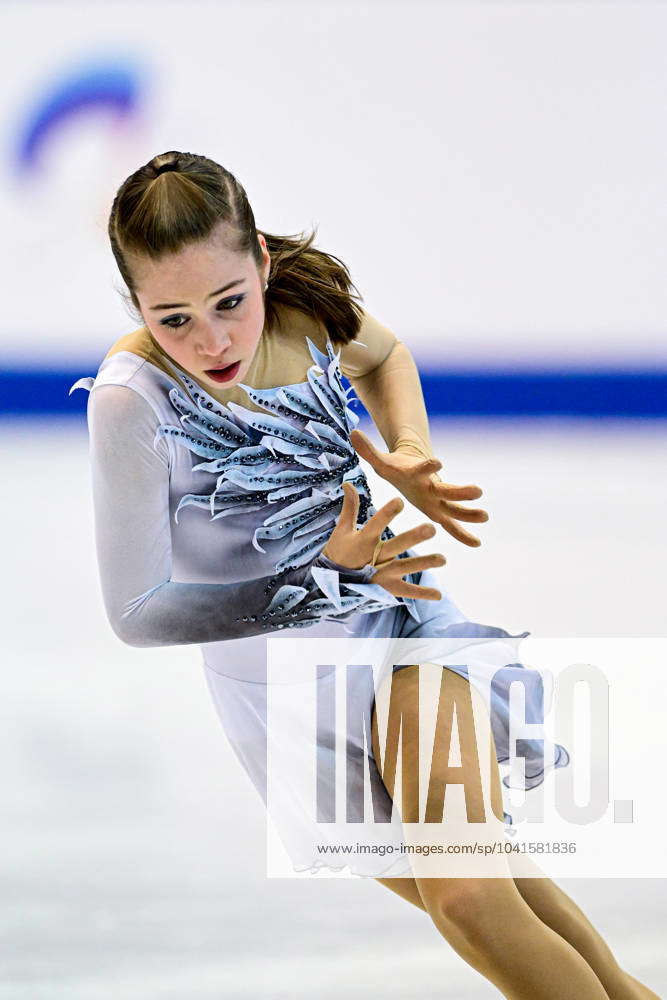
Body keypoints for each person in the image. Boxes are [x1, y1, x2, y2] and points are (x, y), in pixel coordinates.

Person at [69, 151, 659, 999]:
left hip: (400, 626)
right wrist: (313, 577)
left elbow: (384, 358)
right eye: (173, 318)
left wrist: (410, 450)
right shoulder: (132, 401)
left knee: (466, 898)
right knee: (494, 890)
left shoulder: (305, 315)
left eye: (230, 302)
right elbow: (137, 612)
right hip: (282, 702)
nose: (212, 340)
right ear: (136, 308)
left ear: (262, 262)